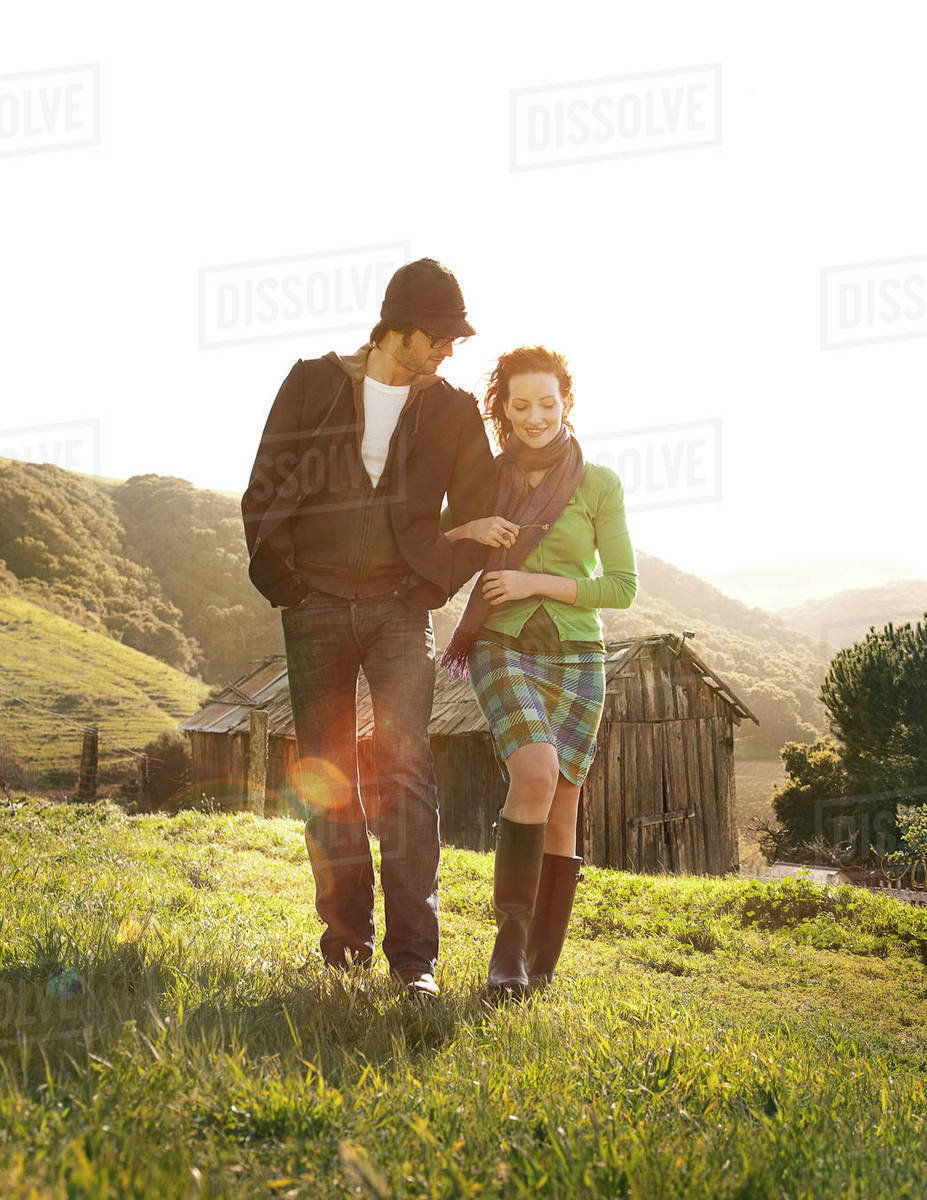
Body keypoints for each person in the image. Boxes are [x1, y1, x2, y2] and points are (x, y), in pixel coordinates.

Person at [241, 259, 499, 999]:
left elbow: (479, 516)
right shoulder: (313, 383)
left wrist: (427, 586)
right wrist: (285, 585)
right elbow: (263, 483)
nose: (450, 351)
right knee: (326, 777)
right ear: (402, 329)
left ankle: (414, 962)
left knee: (407, 774)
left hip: (398, 610)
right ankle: (345, 948)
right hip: (314, 603)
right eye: (442, 336)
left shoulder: (450, 410)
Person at [441, 346, 638, 998]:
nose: (534, 417)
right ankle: (506, 952)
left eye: (547, 403)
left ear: (566, 404)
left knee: (561, 810)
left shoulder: (598, 483)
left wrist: (534, 580)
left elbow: (620, 587)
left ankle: (539, 966)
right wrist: (467, 526)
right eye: (520, 404)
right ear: (500, 407)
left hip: (580, 655)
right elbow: (430, 541)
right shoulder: (485, 476)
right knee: (534, 771)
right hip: (501, 645)